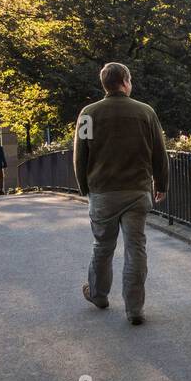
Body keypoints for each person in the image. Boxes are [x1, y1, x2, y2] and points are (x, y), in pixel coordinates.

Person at [73, 62, 168, 325]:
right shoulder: (145, 113)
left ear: (105, 84)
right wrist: (161, 184)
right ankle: (134, 308)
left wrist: (84, 187)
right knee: (135, 248)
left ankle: (99, 293)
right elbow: (159, 152)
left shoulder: (89, 114)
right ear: (125, 81)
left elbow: (81, 155)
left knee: (102, 245)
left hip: (103, 192)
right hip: (137, 191)